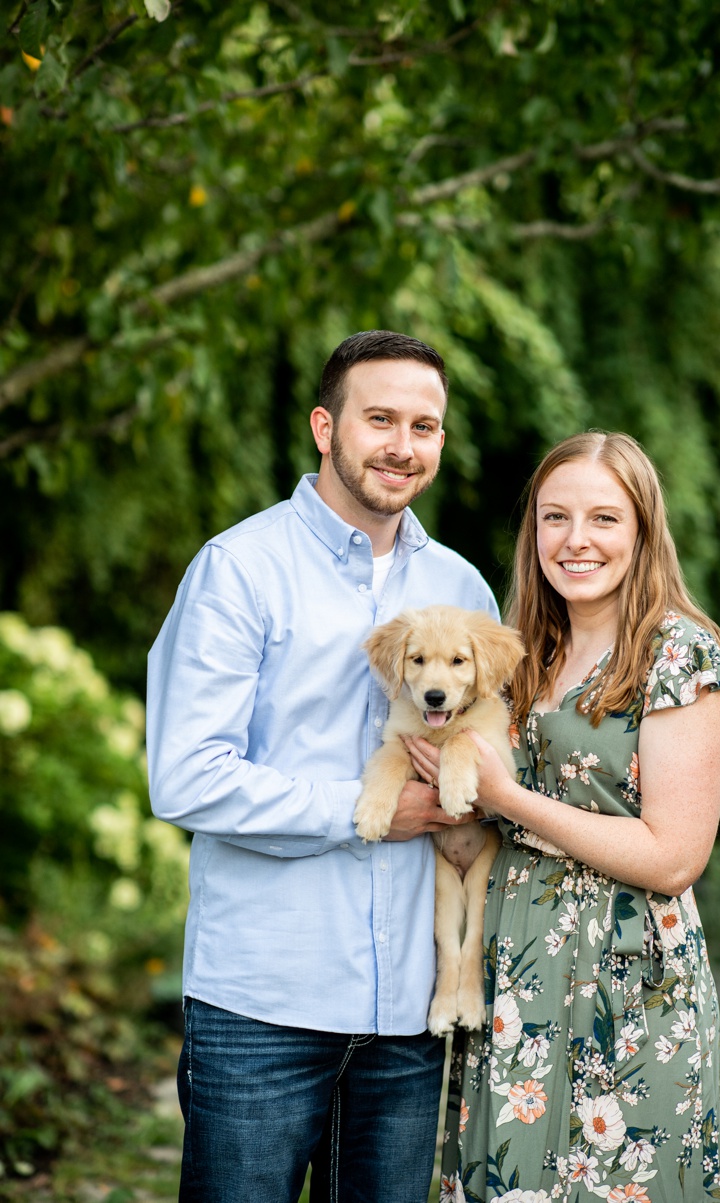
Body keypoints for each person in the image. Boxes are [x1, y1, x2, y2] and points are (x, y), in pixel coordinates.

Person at [147, 331, 497, 1202]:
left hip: (411, 1017)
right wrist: (368, 807)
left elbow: (495, 765)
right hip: (265, 1002)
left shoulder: (462, 588)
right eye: (379, 418)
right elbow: (186, 774)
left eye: (425, 425)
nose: (401, 445)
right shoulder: (241, 569)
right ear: (324, 426)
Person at [428, 431, 720, 1203]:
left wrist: (506, 800)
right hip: (515, 971)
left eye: (604, 518)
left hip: (625, 978)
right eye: (555, 517)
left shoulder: (678, 654)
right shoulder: (523, 650)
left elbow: (673, 856)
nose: (576, 540)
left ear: (643, 530)